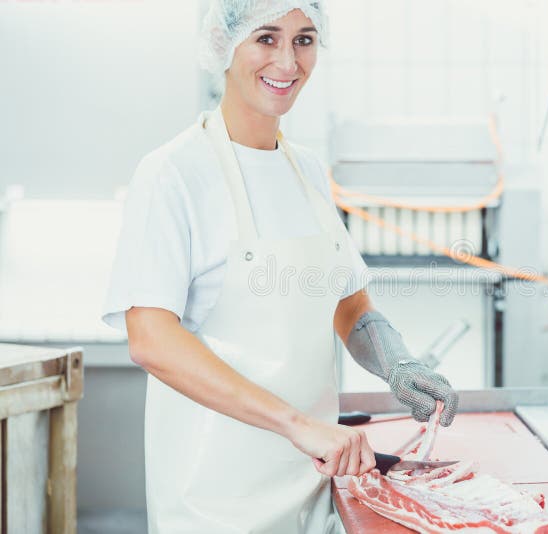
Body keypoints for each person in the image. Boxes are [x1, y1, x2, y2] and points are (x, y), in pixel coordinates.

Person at [100, 1, 458, 532]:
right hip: (214, 500)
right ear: (225, 46)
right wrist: (296, 424)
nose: (288, 63)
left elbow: (347, 302)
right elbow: (150, 338)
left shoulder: (307, 169)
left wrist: (398, 364)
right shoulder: (173, 173)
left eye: (304, 40)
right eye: (266, 38)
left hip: (314, 485)